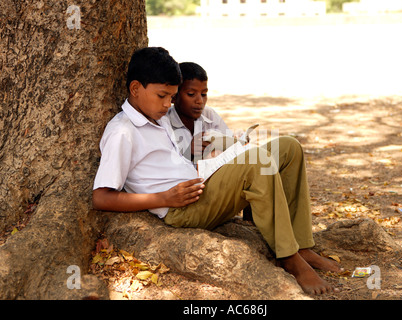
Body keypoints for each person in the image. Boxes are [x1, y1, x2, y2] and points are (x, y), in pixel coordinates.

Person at [92, 47, 341, 295]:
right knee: (257, 161)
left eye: (172, 96)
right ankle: (289, 257)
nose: (168, 104)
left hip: (202, 182)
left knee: (289, 147)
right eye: (162, 96)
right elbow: (101, 197)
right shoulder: (122, 132)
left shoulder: (158, 116)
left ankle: (302, 245)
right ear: (135, 88)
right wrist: (163, 199)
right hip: (183, 209)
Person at [168, 62, 229, 162]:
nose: (200, 101)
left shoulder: (209, 115)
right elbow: (165, 170)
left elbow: (231, 146)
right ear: (174, 96)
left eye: (204, 94)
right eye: (191, 94)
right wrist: (189, 153)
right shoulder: (164, 123)